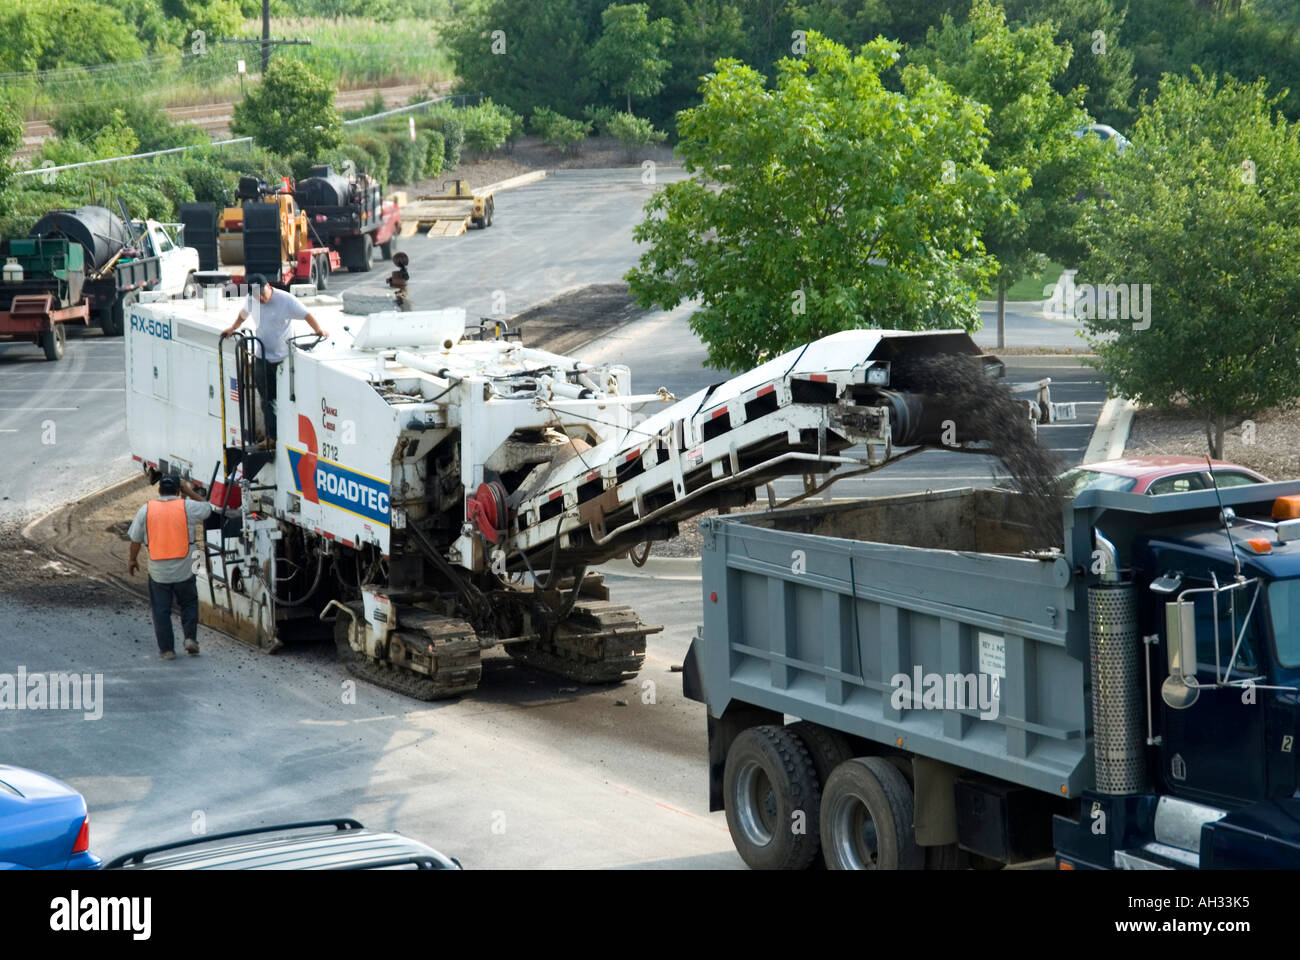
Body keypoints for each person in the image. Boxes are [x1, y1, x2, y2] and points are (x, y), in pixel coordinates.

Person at [220, 275, 326, 441]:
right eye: (257, 296)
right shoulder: (252, 300)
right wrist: (232, 328)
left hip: (283, 359)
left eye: (263, 294)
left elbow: (307, 314)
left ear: (269, 287)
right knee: (266, 400)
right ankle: (272, 437)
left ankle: (290, 436)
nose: (261, 299)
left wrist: (318, 330)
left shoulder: (286, 300)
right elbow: (243, 315)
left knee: (285, 399)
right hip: (263, 357)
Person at [127, 475, 214, 660]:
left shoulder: (146, 510)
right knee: (189, 603)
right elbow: (208, 508)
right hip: (185, 567)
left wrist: (132, 560)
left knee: (161, 610)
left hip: (158, 571)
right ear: (178, 490)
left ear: (159, 491)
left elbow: (135, 539)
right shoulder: (187, 507)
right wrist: (188, 490)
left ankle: (167, 650)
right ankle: (190, 639)